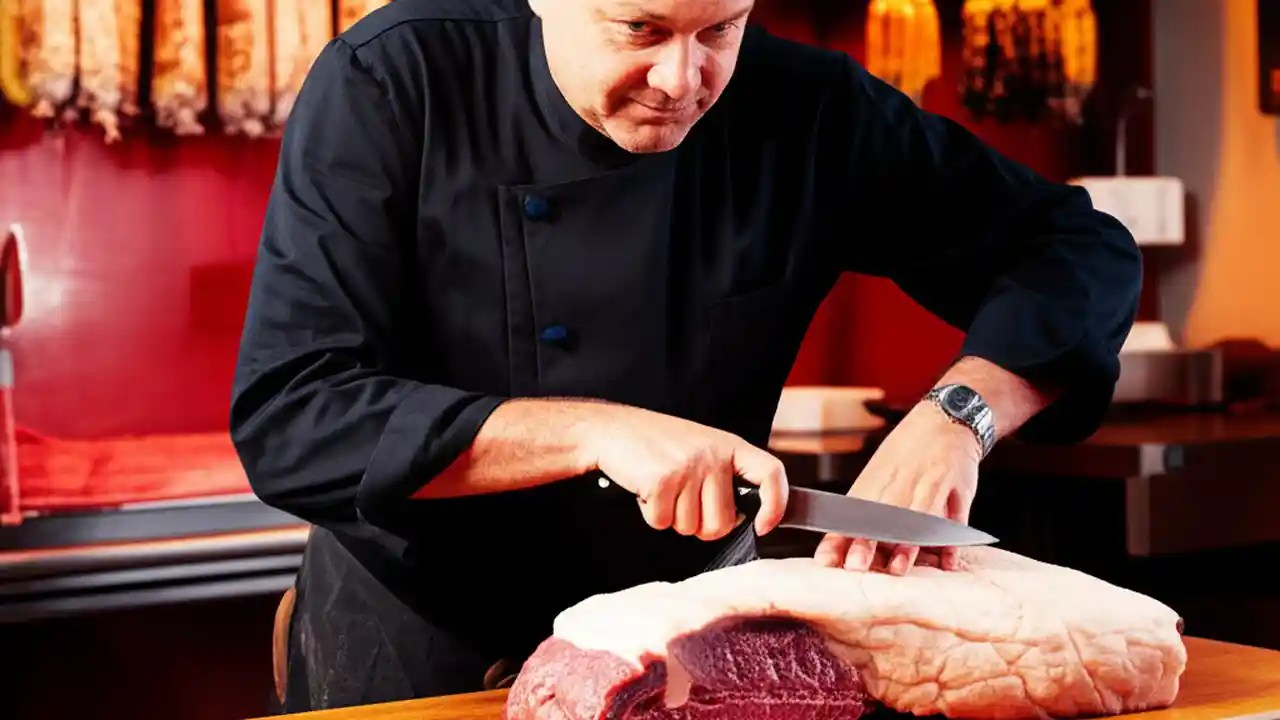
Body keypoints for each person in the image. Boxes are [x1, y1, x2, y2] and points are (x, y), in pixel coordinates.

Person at [230, 0, 1141, 712]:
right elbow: (294, 414)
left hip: (684, 642)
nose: (682, 77)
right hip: (414, 639)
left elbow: (1075, 248)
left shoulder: (807, 108)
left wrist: (960, 417)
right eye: (640, 29)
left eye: (721, 30)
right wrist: (597, 432)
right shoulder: (397, 78)